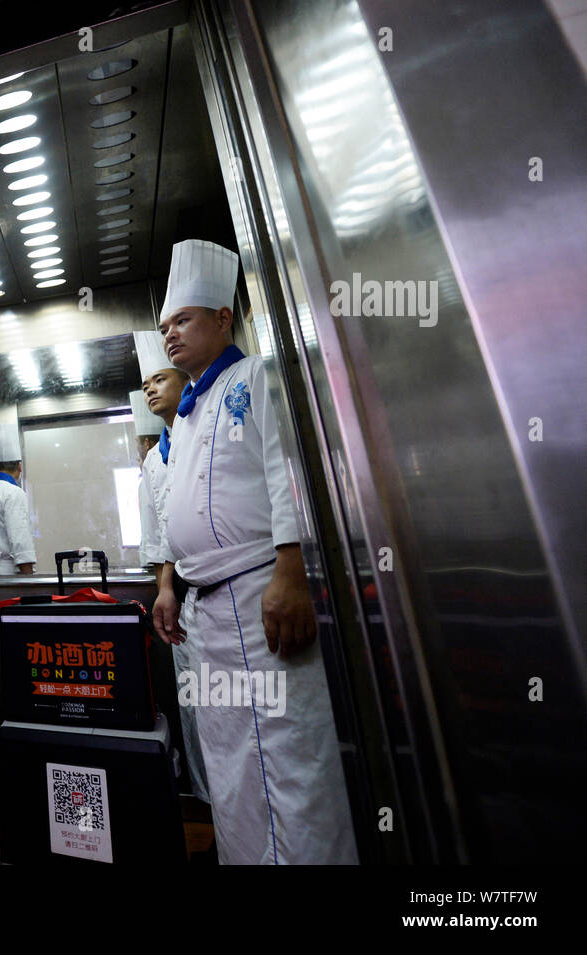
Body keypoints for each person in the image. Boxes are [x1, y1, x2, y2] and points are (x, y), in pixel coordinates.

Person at [151, 239, 357, 864]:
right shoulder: (185, 414)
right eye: (165, 326)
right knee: (231, 758)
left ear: (223, 316)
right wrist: (170, 586)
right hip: (206, 608)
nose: (171, 336)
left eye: (183, 320)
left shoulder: (258, 376)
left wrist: (291, 569)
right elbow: (174, 510)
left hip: (260, 590)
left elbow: (286, 470)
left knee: (291, 755)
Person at [133, 332, 210, 806]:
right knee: (195, 711)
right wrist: (165, 588)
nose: (150, 390)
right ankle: (213, 817)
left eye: (159, 379)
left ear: (186, 381)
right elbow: (161, 535)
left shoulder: (204, 429)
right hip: (184, 599)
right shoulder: (153, 458)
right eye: (145, 384)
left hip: (222, 586)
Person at [0, 425, 35, 576]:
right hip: (9, 575)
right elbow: (20, 540)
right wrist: (29, 580)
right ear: (19, 467)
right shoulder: (13, 493)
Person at [130, 388, 162, 571]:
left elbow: (156, 535)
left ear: (147, 443)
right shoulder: (148, 474)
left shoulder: (154, 473)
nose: (137, 448)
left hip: (162, 565)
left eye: (137, 442)